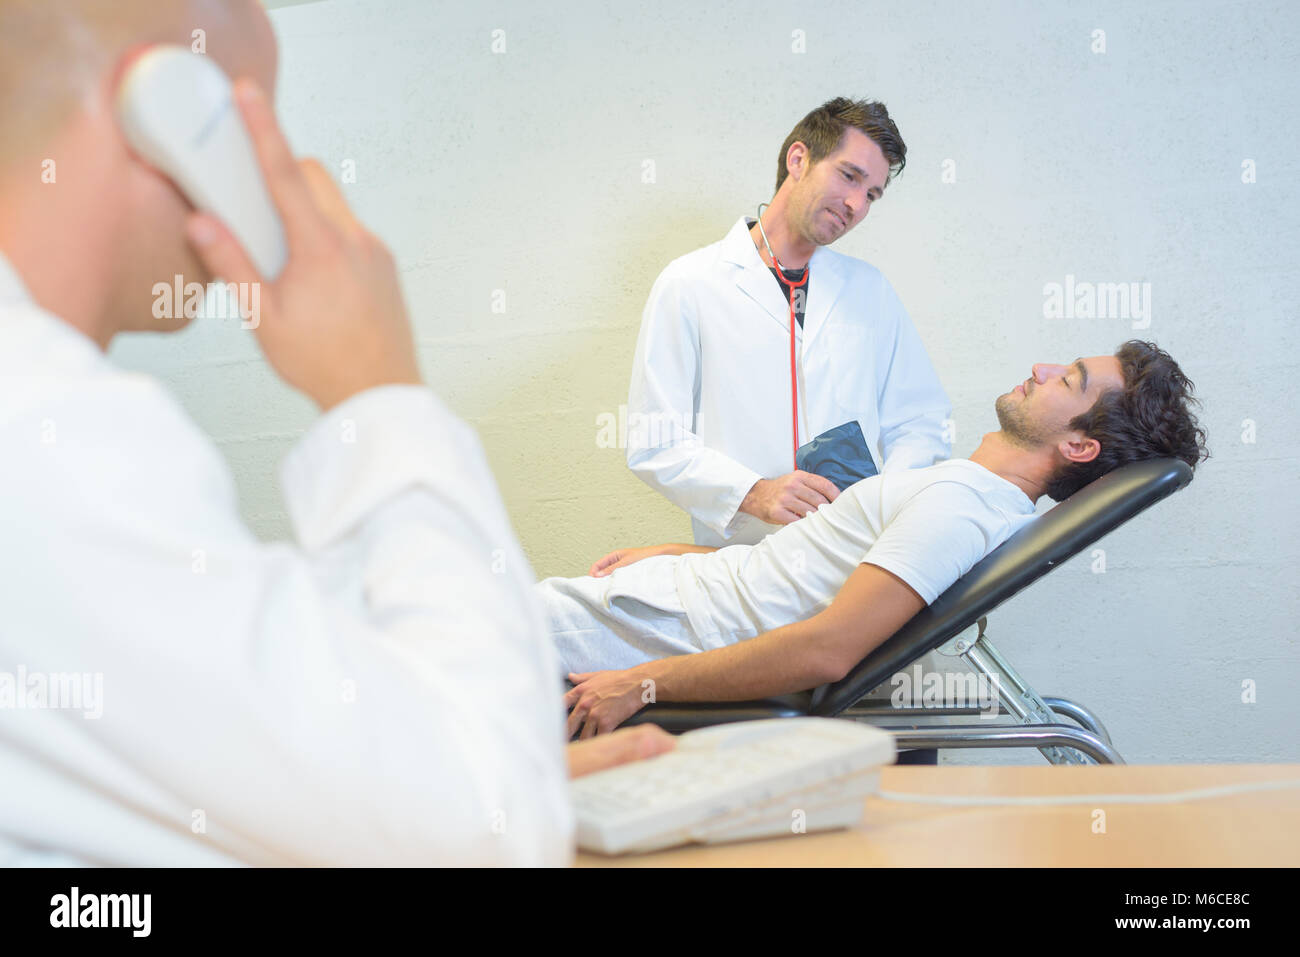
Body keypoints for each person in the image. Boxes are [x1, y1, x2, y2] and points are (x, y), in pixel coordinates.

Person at [0, 0, 669, 867]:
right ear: (163, 110)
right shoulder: (57, 436)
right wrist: (380, 393)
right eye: (256, 125)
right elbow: (490, 839)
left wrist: (440, 778)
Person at [545, 342, 1210, 738]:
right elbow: (804, 577)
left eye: (1068, 378)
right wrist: (682, 554)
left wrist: (641, 685)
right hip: (661, 605)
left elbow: (828, 649)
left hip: (652, 635)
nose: (1040, 368)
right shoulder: (963, 490)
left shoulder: (962, 507)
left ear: (1079, 443)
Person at [625, 97, 951, 552]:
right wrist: (755, 492)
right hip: (744, 563)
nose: (857, 203)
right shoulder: (690, 284)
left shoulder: (869, 291)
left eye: (872, 195)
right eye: (849, 175)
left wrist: (881, 508)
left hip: (858, 558)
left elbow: (920, 421)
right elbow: (655, 443)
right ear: (798, 159)